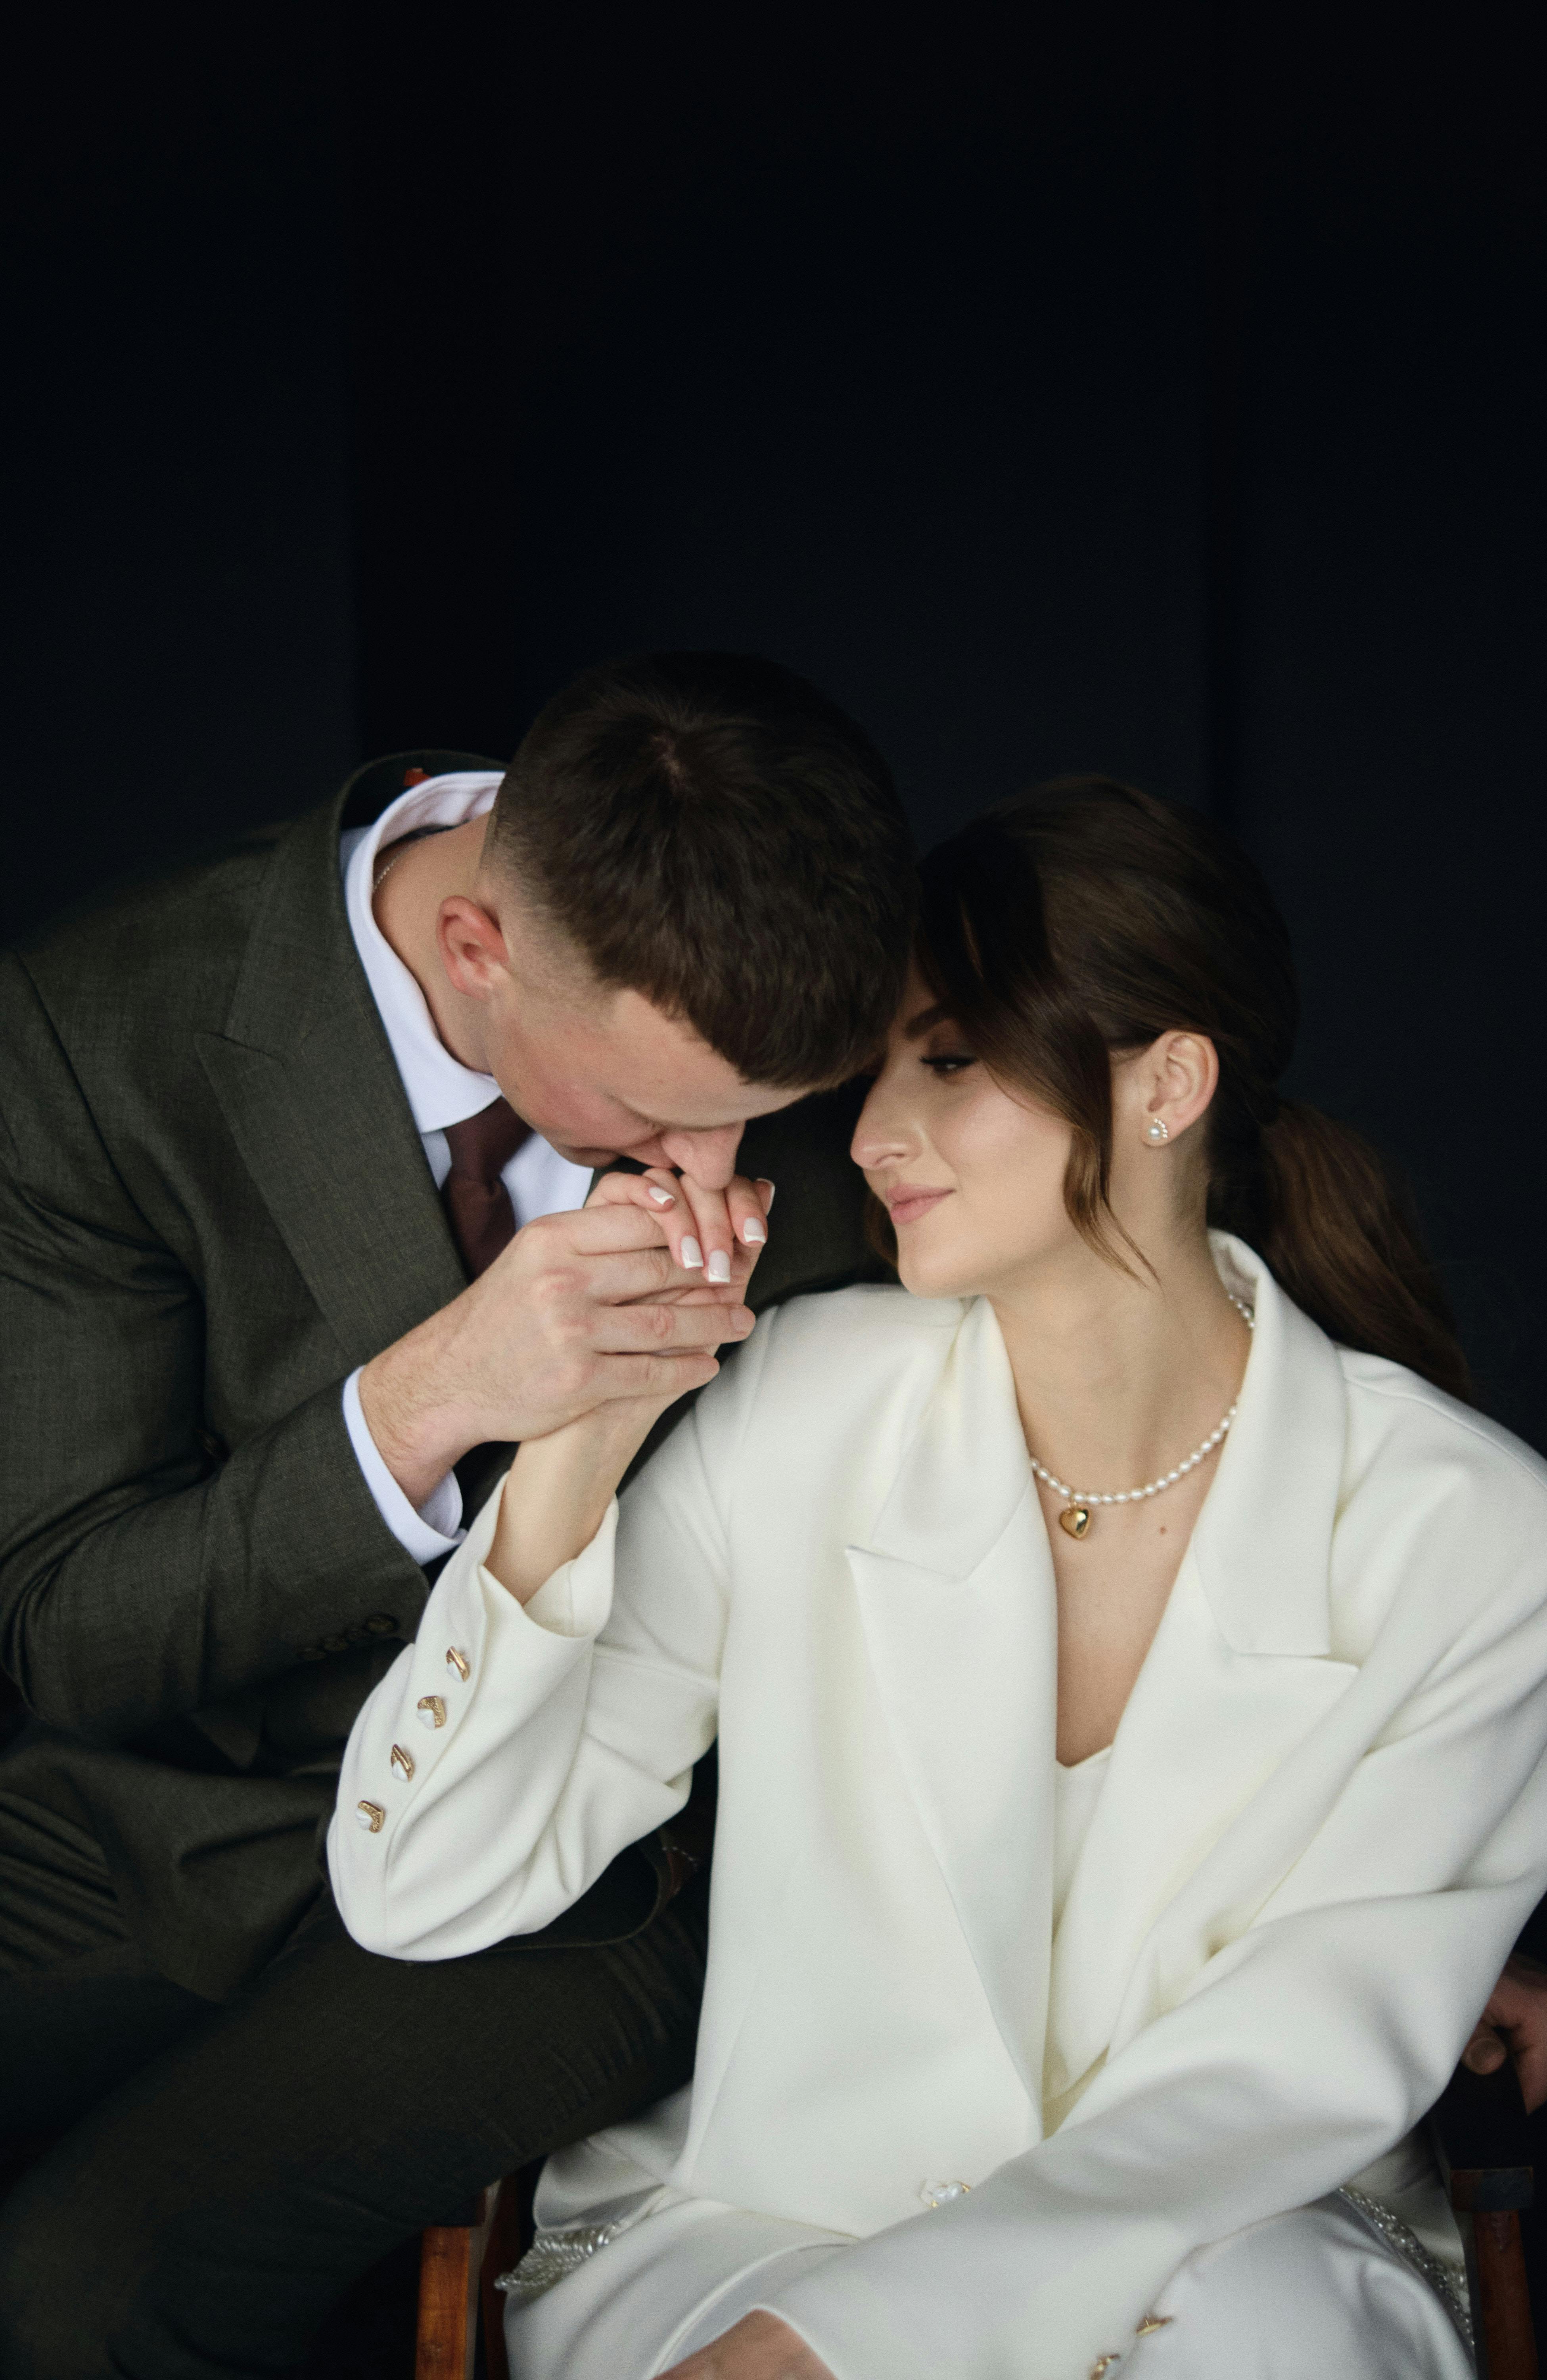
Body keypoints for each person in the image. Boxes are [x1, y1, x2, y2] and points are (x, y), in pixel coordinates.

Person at [332, 779, 1547, 2380]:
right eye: (870, 1071)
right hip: (771, 2220)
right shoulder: (799, 1401)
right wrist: (588, 1435)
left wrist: (846, 2343)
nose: (868, 1136)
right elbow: (424, 1881)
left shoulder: (1477, 1538)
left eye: (945, 1059)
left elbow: (1290, 2068)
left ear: (1166, 1085)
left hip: (1226, 2255)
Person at [0, 652, 915, 2377]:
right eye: (651, 1115)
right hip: (160, 1807)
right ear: (477, 952)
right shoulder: (95, 1036)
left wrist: (1300, 1875)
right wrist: (430, 1402)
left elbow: (1112, 1391)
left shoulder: (821, 1009)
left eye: (761, 1119)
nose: (716, 1165)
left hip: (588, 1871)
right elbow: (62, 1628)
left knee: (84, 2289)